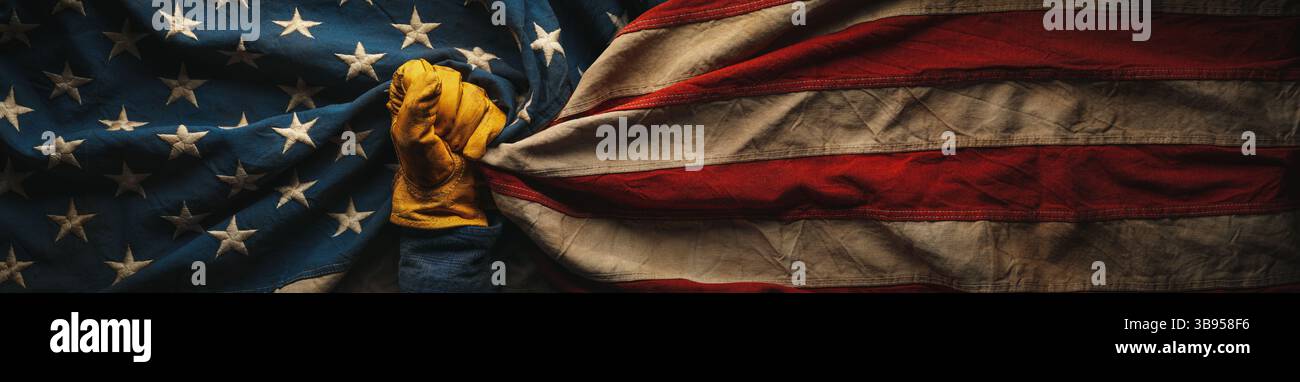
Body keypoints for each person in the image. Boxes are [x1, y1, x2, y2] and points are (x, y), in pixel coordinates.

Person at [386, 59, 505, 292]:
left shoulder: (435, 163)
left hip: (445, 247)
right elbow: (412, 140)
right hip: (450, 246)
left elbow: (412, 138)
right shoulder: (438, 162)